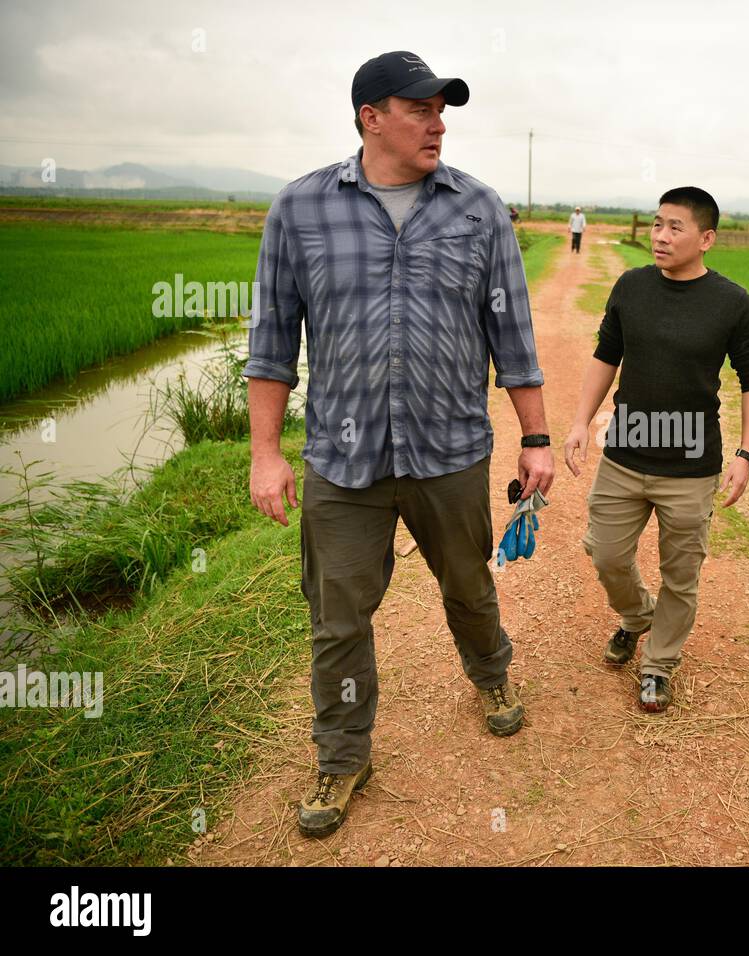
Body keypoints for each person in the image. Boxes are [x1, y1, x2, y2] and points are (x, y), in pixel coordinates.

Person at [244, 51, 555, 838]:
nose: (437, 122)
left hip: (449, 451)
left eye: (442, 109)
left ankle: (490, 676)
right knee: (337, 614)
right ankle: (344, 755)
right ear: (369, 117)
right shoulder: (300, 210)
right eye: (419, 108)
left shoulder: (479, 211)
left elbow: (512, 336)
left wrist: (537, 438)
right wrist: (265, 453)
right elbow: (273, 342)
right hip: (342, 466)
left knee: (467, 586)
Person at [564, 187, 749, 712]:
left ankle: (658, 663)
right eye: (657, 224)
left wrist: (746, 454)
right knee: (605, 552)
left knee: (682, 572)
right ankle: (637, 617)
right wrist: (581, 422)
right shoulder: (631, 287)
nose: (660, 236)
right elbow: (605, 357)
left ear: (706, 239)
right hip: (625, 456)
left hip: (691, 467)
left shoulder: (733, 303)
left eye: (675, 227)